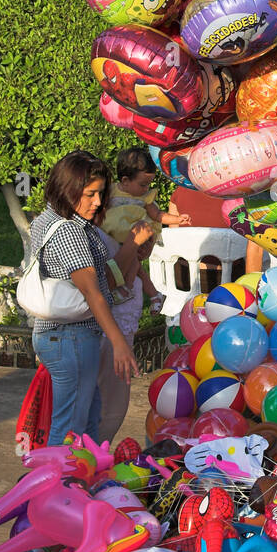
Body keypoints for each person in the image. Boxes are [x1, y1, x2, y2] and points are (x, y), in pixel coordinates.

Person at [28, 150, 151, 446]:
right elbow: (93, 292)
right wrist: (119, 342)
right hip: (70, 338)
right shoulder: (69, 231)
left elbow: (107, 279)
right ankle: (58, 488)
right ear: (67, 188)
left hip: (69, 337)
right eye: (90, 194)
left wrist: (134, 252)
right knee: (71, 427)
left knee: (88, 421)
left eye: (100, 194)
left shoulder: (54, 220)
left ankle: (84, 482)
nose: (97, 202)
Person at [95, 149, 170, 442]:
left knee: (113, 396)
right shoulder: (101, 226)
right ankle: (94, 449)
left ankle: (97, 448)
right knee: (108, 396)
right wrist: (133, 245)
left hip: (122, 318)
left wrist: (142, 246)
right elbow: (112, 278)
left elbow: (133, 258)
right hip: (111, 324)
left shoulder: (132, 208)